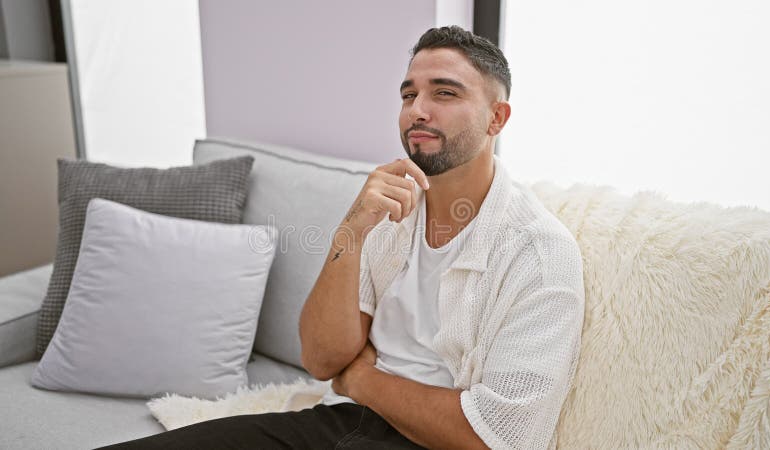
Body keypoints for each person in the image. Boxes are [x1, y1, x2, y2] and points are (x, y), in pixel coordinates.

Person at [98, 25, 585, 450]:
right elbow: (321, 357)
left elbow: (497, 436)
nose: (417, 110)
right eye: (408, 94)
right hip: (335, 421)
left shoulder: (539, 254)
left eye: (445, 93)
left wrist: (362, 379)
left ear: (497, 118)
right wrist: (351, 228)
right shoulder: (388, 212)